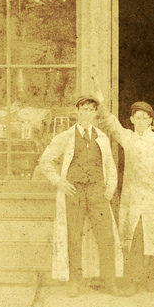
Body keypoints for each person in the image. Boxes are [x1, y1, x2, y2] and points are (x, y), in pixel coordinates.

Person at [37, 95, 123, 296]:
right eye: (83, 109)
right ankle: (74, 282)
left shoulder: (101, 137)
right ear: (77, 112)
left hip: (96, 193)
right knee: (73, 237)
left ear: (95, 113)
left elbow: (110, 166)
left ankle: (110, 282)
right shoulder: (65, 137)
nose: (87, 113)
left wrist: (109, 189)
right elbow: (45, 161)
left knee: (106, 236)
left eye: (91, 110)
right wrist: (59, 181)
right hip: (74, 192)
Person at [95, 93, 154, 294]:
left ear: (151, 120)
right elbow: (110, 122)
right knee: (136, 237)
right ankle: (134, 280)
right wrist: (101, 101)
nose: (141, 121)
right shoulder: (128, 137)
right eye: (137, 117)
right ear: (132, 120)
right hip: (134, 198)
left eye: (145, 118)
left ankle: (153, 279)